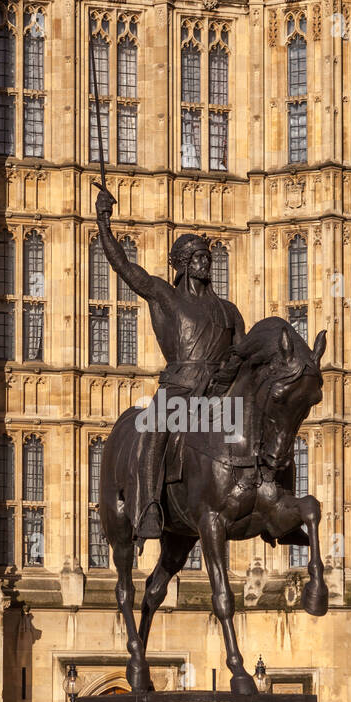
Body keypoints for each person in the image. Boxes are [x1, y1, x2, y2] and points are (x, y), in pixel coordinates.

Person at [95, 186, 245, 539]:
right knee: (154, 432)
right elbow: (125, 267)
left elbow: (241, 353)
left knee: (252, 430)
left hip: (217, 396)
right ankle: (148, 507)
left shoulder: (228, 311)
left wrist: (231, 377)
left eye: (206, 257)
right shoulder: (165, 296)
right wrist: (103, 222)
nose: (204, 262)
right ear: (182, 265)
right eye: (196, 257)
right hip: (179, 388)